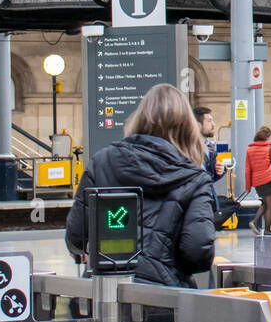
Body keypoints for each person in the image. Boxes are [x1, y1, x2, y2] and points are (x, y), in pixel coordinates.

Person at [66, 83, 216, 288]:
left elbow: (76, 237)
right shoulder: (195, 178)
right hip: (165, 298)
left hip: (105, 291)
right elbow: (198, 251)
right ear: (188, 127)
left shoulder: (102, 162)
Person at [194, 106, 244, 229]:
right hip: (195, 204)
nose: (214, 124)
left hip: (207, 203)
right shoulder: (187, 148)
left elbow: (208, 178)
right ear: (197, 124)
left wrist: (218, 172)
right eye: (209, 121)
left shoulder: (210, 148)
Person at [244, 126, 271, 235]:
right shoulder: (269, 147)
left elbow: (248, 169)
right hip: (267, 180)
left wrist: (248, 187)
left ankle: (255, 222)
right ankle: (266, 229)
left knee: (265, 203)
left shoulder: (250, 150)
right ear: (267, 137)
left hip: (257, 182)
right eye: (270, 137)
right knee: (270, 205)